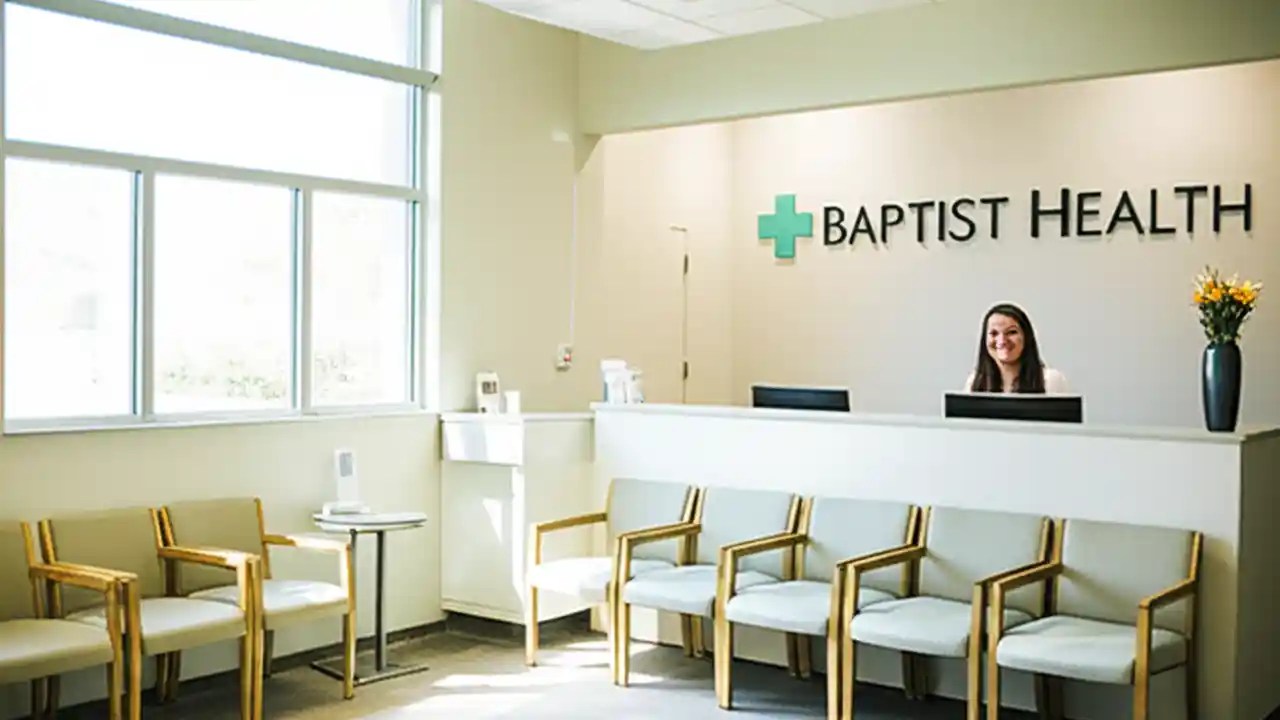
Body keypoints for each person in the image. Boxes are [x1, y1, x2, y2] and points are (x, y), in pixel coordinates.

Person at [964, 303, 1070, 394]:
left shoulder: (1050, 380)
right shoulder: (974, 382)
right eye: (994, 333)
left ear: (1026, 337)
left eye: (1011, 332)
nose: (1002, 340)